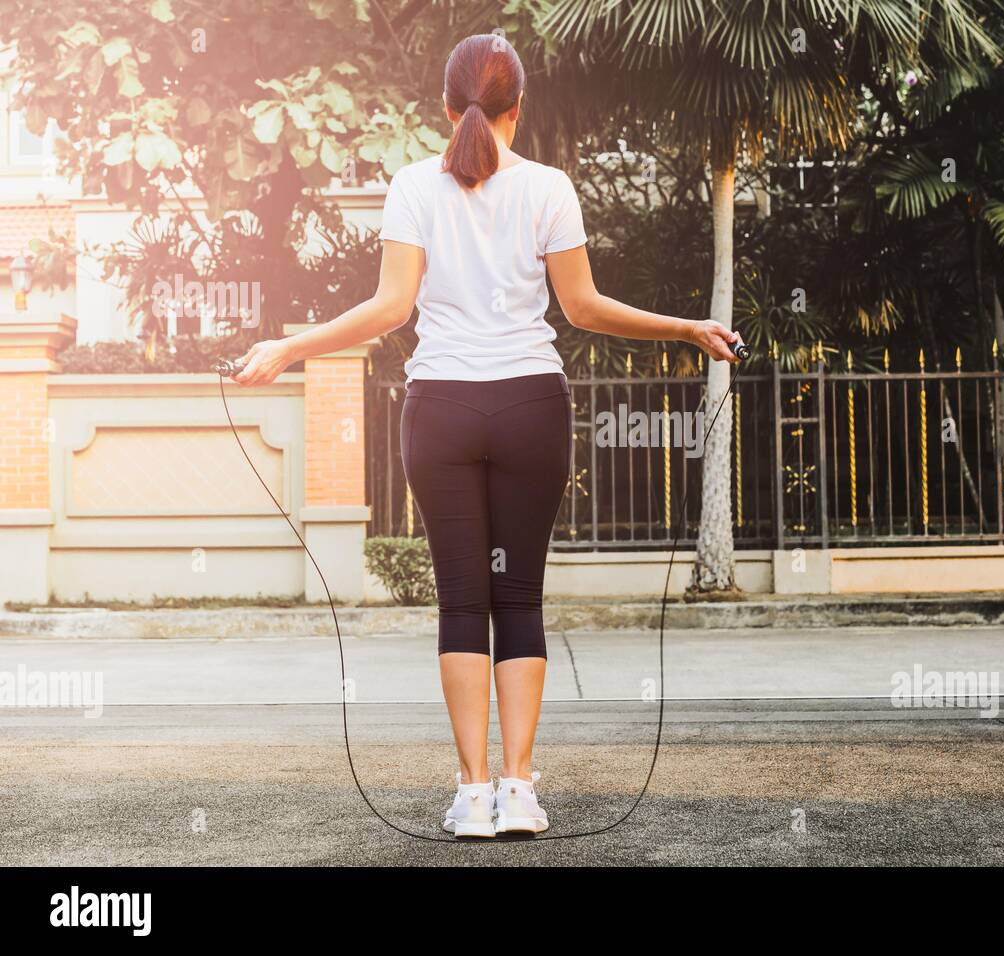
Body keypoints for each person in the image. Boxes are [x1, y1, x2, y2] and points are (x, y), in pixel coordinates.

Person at [233, 33, 740, 837]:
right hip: (531, 409)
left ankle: (473, 795)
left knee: (463, 602)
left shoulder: (411, 187)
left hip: (441, 412)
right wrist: (685, 327)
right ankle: (520, 789)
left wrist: (289, 346)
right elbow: (582, 308)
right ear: (519, 110)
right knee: (519, 599)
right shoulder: (548, 187)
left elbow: (390, 310)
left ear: (446, 106)